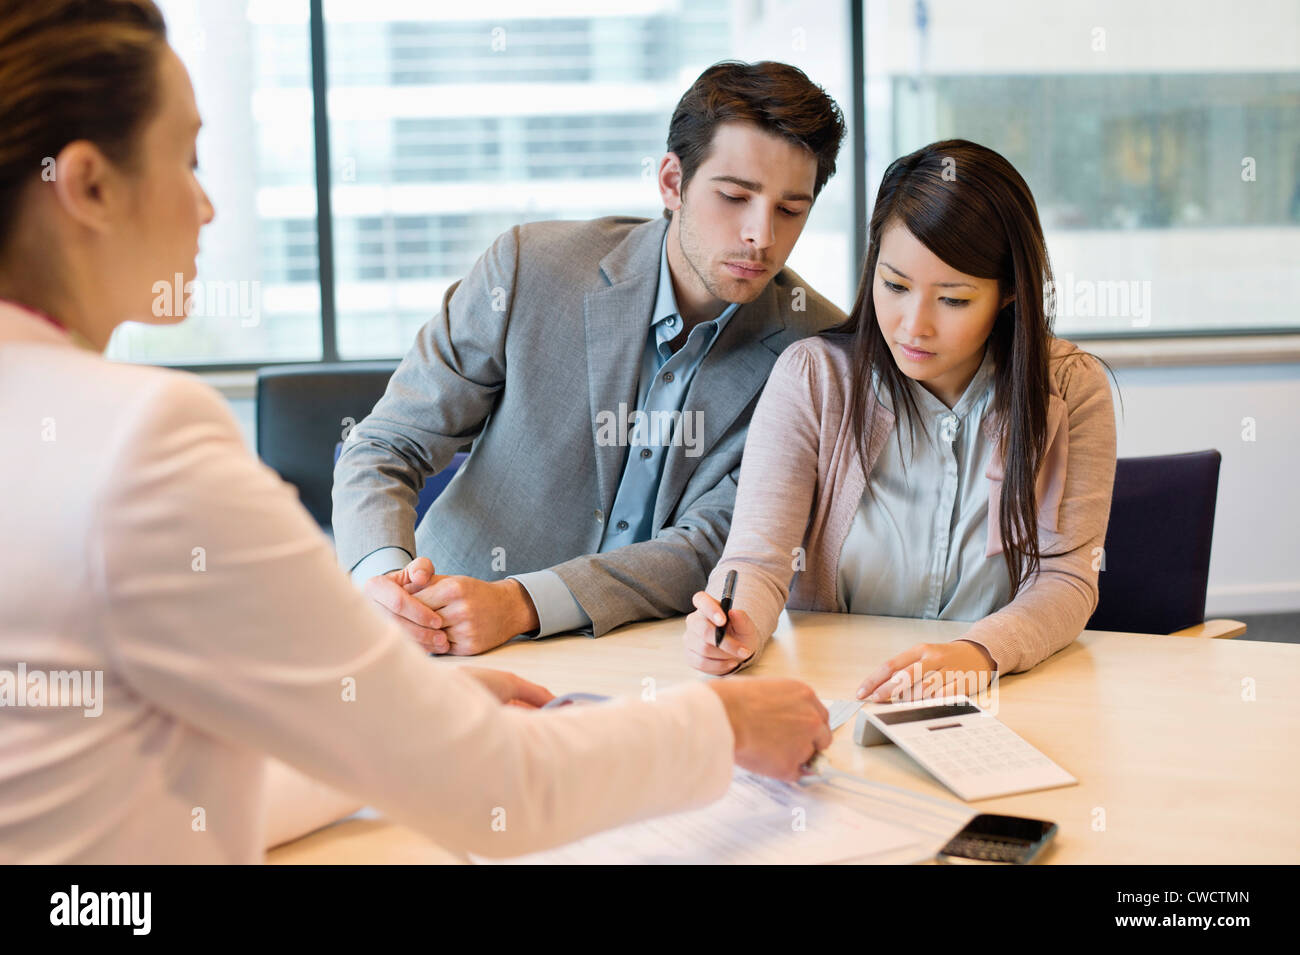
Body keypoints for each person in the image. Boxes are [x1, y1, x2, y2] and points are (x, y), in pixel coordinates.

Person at [0, 0, 831, 864]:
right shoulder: (147, 438)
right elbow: (500, 791)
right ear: (90, 185)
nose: (209, 205)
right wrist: (720, 725)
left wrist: (400, 737)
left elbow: (160, 793)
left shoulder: (810, 345)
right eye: (188, 158)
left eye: (790, 208)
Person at [332, 60, 848, 656]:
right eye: (735, 196)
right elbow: (388, 445)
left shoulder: (817, 351)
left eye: (791, 210)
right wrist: (385, 586)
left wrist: (520, 603)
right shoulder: (532, 269)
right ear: (672, 183)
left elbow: (712, 542)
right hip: (439, 635)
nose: (762, 236)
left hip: (646, 660)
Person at [682, 140, 1118, 701]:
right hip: (838, 691)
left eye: (954, 300)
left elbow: (1066, 579)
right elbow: (758, 560)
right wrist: (733, 622)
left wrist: (978, 653)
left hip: (1001, 691)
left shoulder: (1069, 386)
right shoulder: (814, 379)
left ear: (1009, 293)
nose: (914, 326)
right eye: (895, 286)